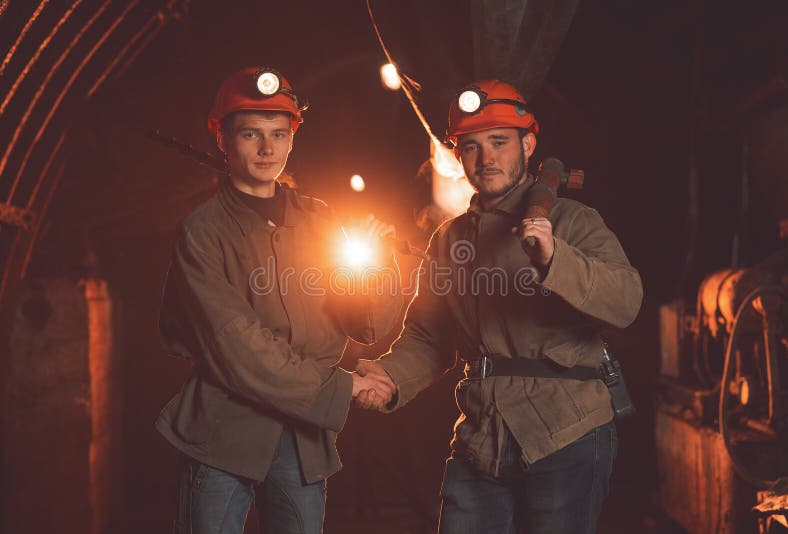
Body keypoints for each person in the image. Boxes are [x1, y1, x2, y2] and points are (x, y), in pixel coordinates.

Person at [355, 79, 643, 533]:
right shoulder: (450, 239)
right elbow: (431, 337)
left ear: (528, 144)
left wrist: (555, 258)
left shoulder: (571, 221)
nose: (486, 158)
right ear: (458, 155)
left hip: (565, 430)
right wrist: (391, 377)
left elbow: (626, 302)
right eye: (471, 146)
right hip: (481, 436)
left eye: (499, 142)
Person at [156, 66, 403, 534]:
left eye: (278, 133)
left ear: (292, 139)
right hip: (222, 433)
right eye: (251, 134)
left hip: (300, 439)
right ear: (223, 139)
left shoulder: (321, 221)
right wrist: (343, 385)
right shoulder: (203, 233)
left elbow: (366, 323)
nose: (268, 149)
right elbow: (237, 347)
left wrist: (383, 263)